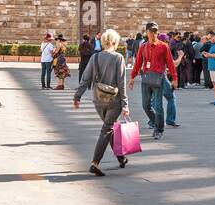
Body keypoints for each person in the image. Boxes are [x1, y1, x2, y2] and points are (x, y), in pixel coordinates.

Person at [73, 27, 130, 175]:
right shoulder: (118, 58)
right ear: (115, 42)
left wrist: (77, 96)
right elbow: (121, 82)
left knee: (109, 127)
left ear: (103, 42)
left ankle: (121, 157)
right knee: (107, 129)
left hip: (98, 100)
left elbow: (86, 78)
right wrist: (125, 104)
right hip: (114, 101)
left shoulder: (95, 57)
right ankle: (95, 163)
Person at [130, 21, 177, 137]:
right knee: (145, 105)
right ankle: (158, 122)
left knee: (158, 105)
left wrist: (174, 78)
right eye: (151, 31)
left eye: (155, 31)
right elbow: (138, 63)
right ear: (147, 32)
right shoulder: (143, 46)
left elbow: (170, 63)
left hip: (158, 79)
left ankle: (159, 129)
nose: (154, 33)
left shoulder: (163, 46)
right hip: (146, 78)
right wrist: (132, 77)